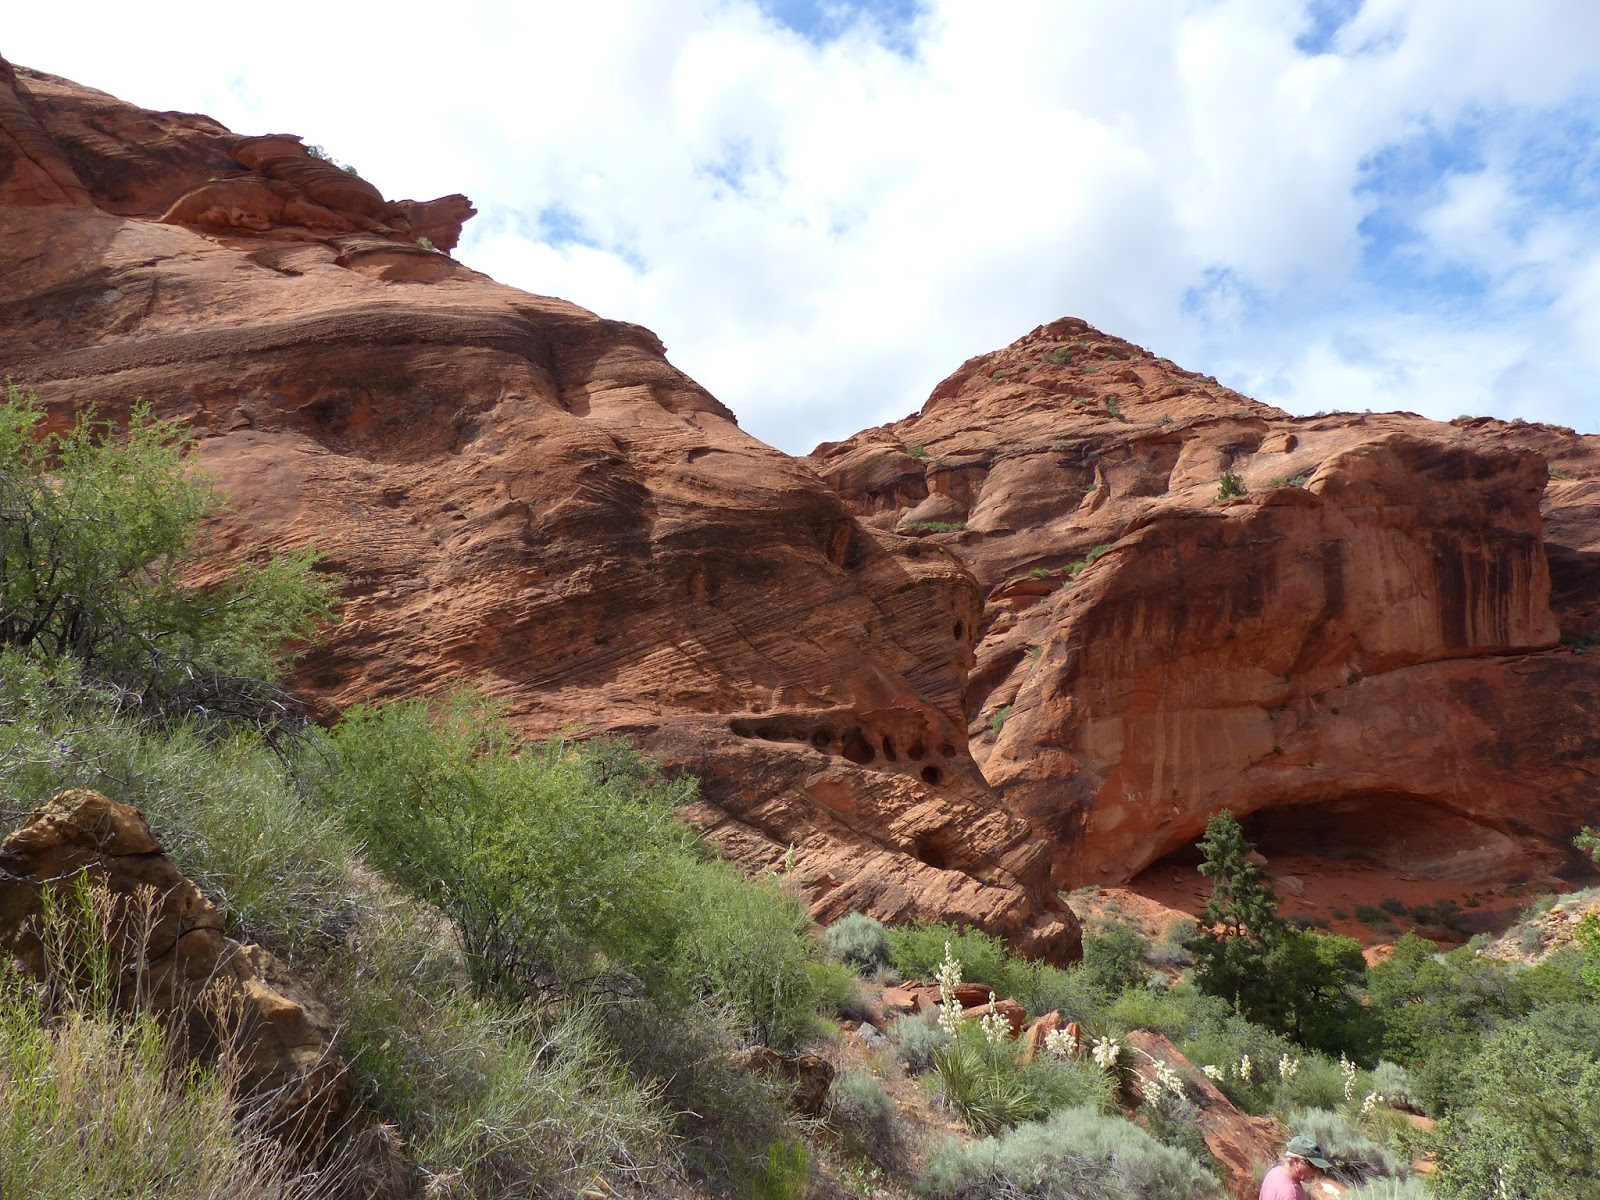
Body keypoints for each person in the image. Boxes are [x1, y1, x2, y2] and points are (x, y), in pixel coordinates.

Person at [1259, 1134, 1332, 1200]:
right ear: (1296, 1161)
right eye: (1313, 1165)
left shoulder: (1274, 1172)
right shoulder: (1291, 1195)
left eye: (1318, 1167)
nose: (1317, 1171)